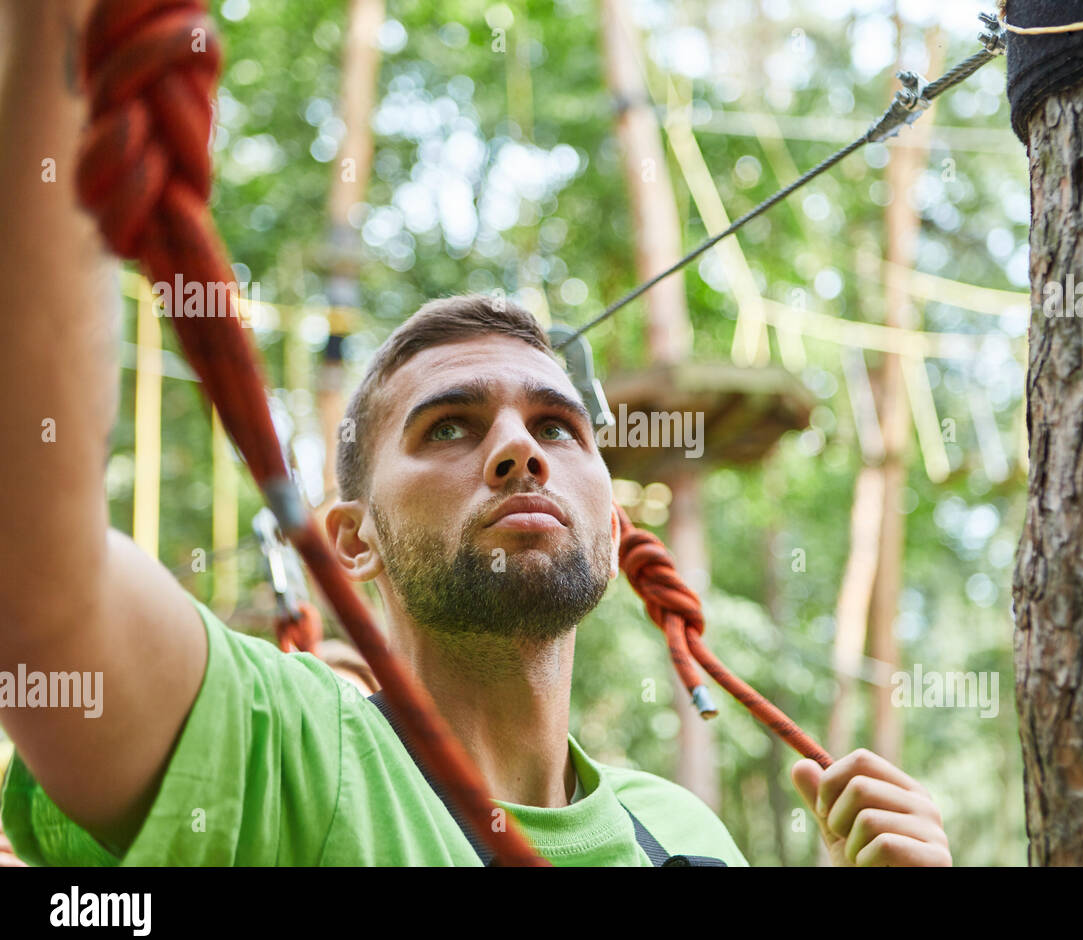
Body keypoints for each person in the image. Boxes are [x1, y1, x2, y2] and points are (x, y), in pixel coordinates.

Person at [0, 1, 951, 866]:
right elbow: (36, 577)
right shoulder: (285, 751)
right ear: (353, 540)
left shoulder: (688, 837)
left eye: (557, 427)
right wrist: (59, 42)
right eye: (449, 426)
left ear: (615, 531)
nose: (518, 449)